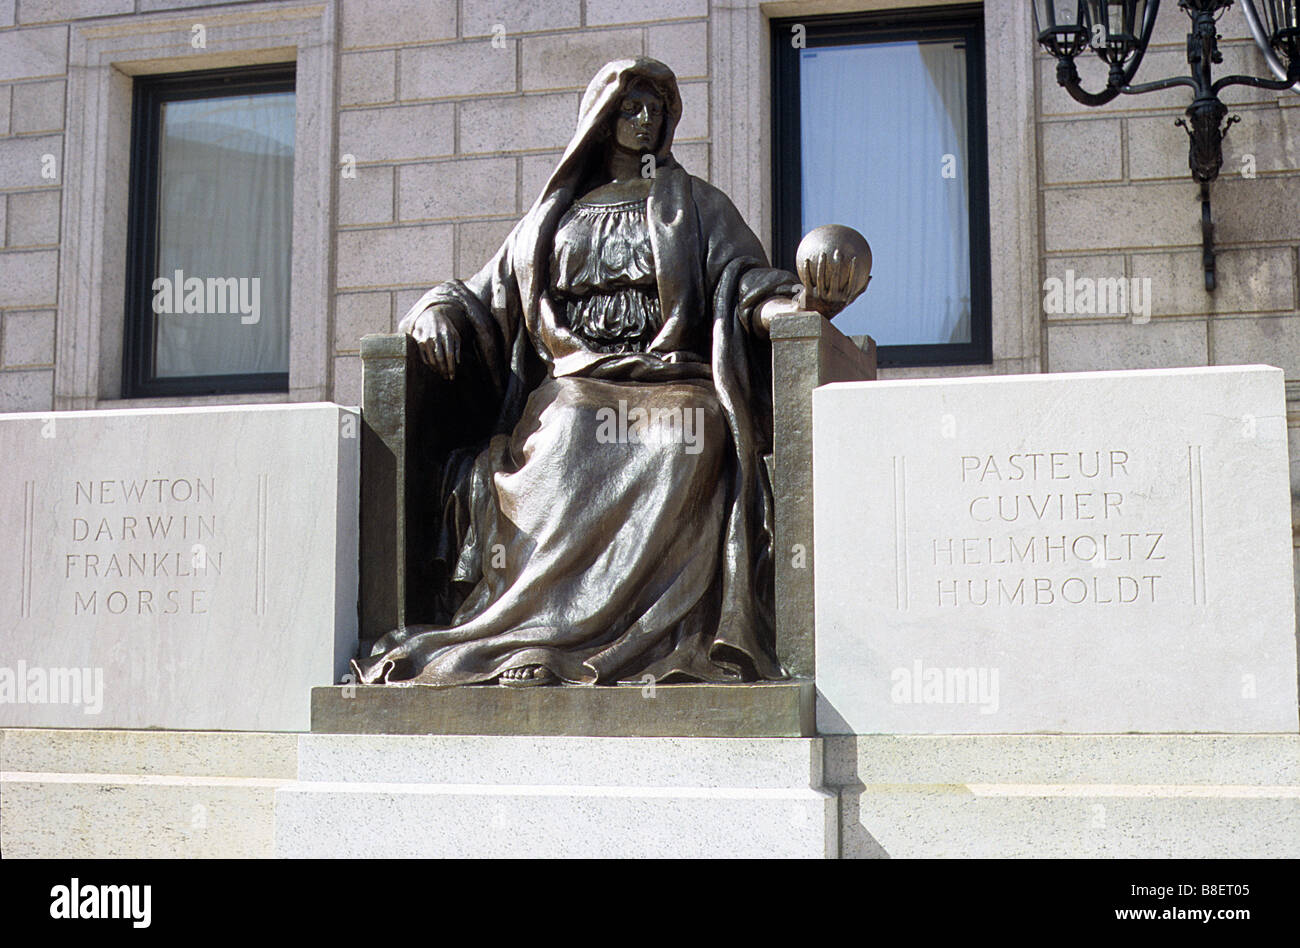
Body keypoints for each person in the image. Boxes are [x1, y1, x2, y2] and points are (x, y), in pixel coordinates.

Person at [352, 58, 807, 687]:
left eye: (656, 110)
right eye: (630, 108)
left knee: (694, 431)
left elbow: (743, 280)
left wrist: (786, 303)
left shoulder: (697, 204)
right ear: (601, 118)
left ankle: (642, 639)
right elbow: (482, 294)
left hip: (671, 377)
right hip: (574, 381)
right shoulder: (551, 219)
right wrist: (433, 311)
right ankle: (533, 633)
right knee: (566, 429)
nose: (645, 121)